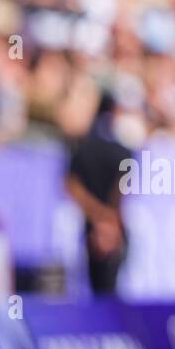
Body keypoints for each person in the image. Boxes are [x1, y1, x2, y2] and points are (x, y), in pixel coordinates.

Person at [65, 93, 132, 296]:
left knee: (96, 284)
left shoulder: (82, 148)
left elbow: (72, 186)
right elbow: (123, 186)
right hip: (110, 223)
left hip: (93, 223)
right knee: (110, 284)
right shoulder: (122, 149)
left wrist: (98, 217)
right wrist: (108, 219)